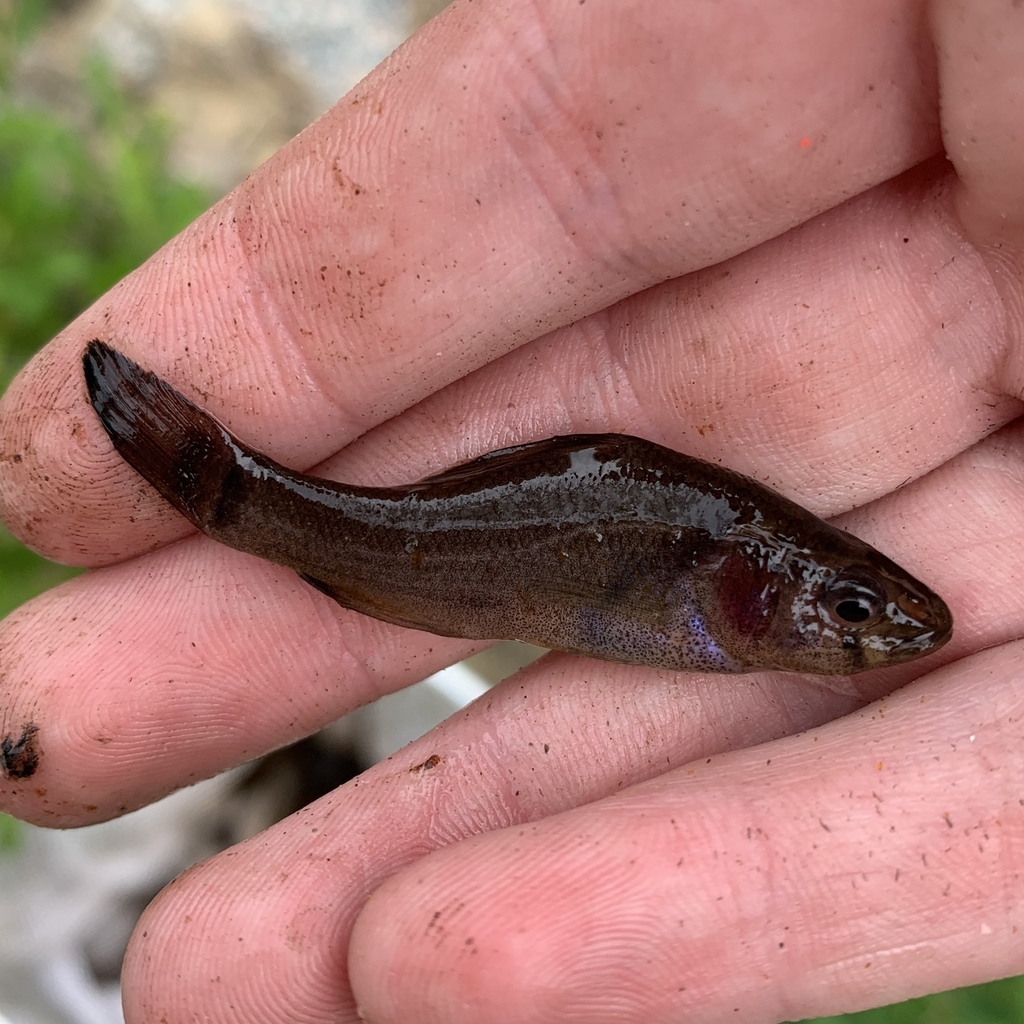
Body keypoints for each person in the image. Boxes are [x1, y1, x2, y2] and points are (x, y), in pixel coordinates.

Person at [2, 1, 1022, 1021]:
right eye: (846, 607)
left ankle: (237, 495)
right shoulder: (710, 558)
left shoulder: (723, 565)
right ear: (751, 571)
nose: (864, 630)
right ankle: (230, 491)